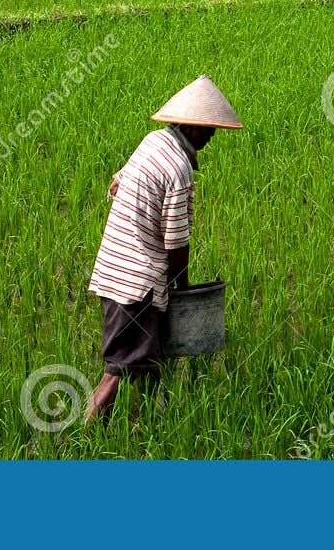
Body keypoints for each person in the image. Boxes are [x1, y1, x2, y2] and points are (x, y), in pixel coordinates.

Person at [85, 75, 242, 421]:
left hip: (113, 268)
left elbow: (115, 184)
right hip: (136, 285)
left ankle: (158, 421)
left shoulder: (153, 141)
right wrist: (182, 289)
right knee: (117, 370)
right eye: (208, 129)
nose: (212, 137)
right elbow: (176, 240)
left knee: (149, 359)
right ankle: (85, 433)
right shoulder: (180, 168)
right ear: (189, 125)